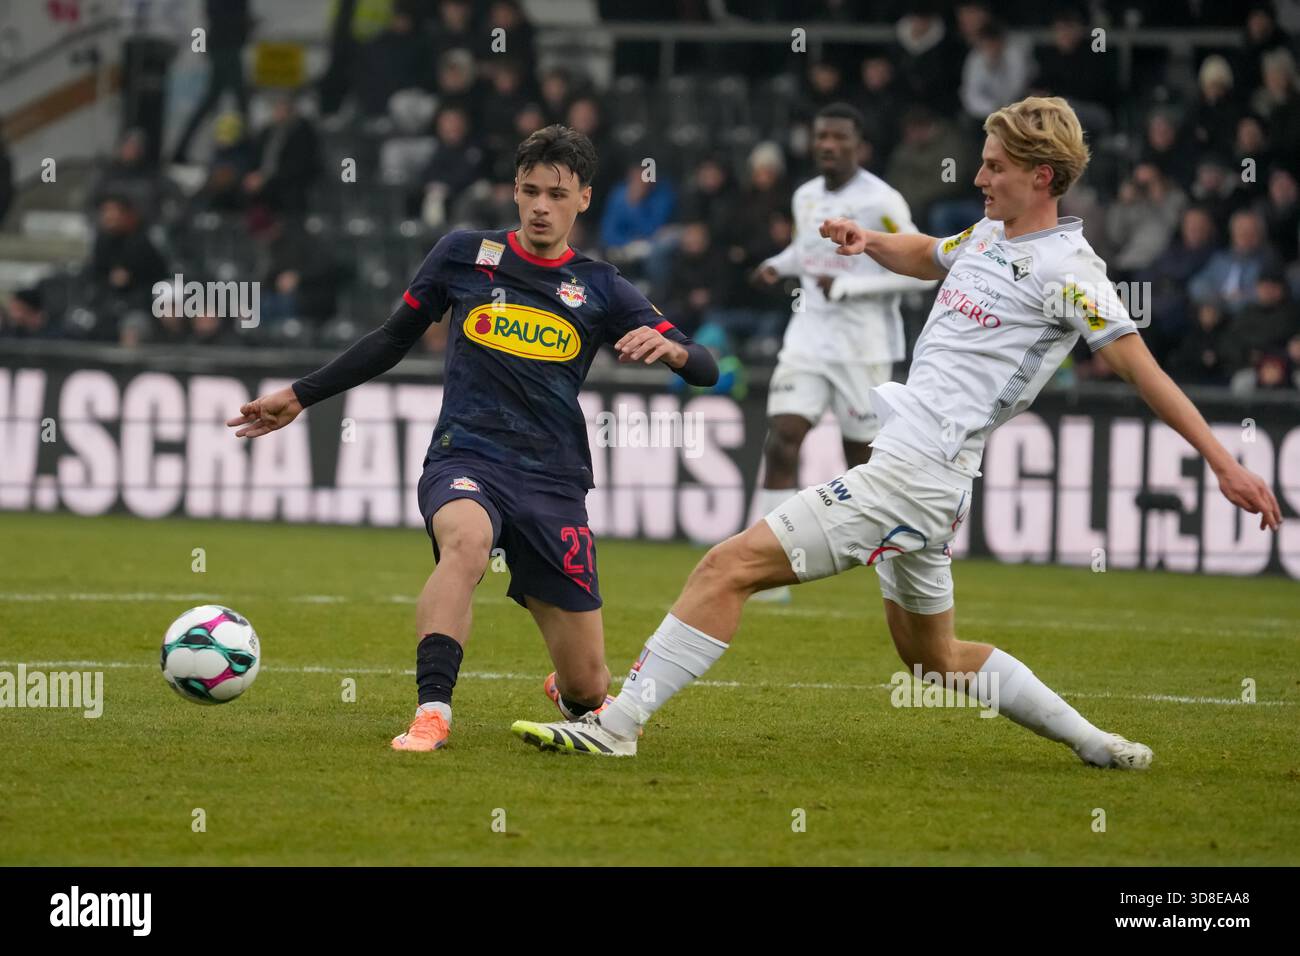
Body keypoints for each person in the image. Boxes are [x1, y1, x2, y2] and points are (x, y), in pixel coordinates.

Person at [511, 96, 1281, 766]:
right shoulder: (988, 237)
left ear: (1041, 176)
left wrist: (1223, 461)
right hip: (926, 474)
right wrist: (867, 242)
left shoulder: (1069, 271)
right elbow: (927, 254)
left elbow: (1142, 367)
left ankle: (617, 726)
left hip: (917, 472)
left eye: (993, 167)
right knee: (934, 659)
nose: (977, 179)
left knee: (726, 567)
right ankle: (1094, 742)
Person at [226, 125, 718, 753]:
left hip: (552, 479)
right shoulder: (464, 254)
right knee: (467, 541)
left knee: (591, 688)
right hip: (466, 454)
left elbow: (705, 367)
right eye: (531, 191)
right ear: (514, 191)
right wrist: (300, 395)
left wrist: (675, 350)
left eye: (557, 195)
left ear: (584, 200)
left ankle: (570, 692)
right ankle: (432, 712)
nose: (542, 206)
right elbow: (391, 339)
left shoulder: (601, 286)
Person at [750, 102, 934, 603]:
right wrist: (776, 265)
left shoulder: (882, 200)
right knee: (782, 439)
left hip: (863, 347)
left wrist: (850, 290)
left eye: (839, 138)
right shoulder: (806, 195)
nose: (828, 145)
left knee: (863, 462)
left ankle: (890, 563)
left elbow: (917, 267)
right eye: (821, 136)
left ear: (860, 146)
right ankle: (767, 577)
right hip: (807, 338)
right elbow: (804, 252)